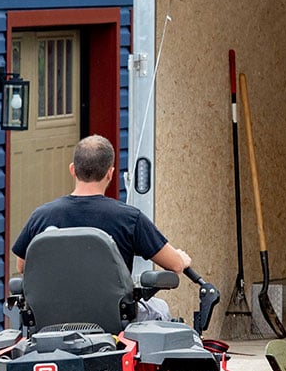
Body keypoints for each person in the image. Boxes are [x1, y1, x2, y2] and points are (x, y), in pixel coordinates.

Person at [12, 134, 191, 321]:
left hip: (51, 320)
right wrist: (182, 259)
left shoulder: (41, 216)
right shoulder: (129, 218)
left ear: (73, 170)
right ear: (110, 173)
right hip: (114, 319)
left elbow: (23, 265)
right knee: (160, 308)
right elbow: (175, 265)